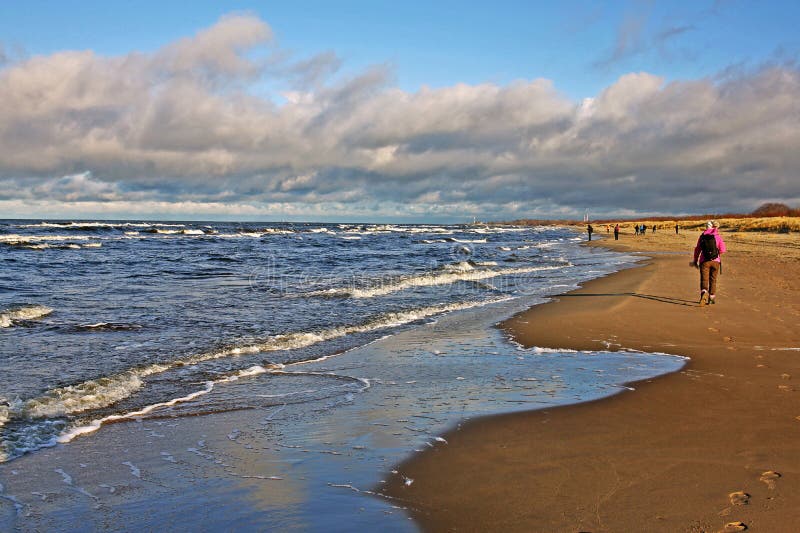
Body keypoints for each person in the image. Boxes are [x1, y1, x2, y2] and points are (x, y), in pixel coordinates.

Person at [692, 220, 727, 305]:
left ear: (706, 227)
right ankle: (711, 298)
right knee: (713, 279)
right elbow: (723, 250)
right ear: (714, 227)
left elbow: (697, 249)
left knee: (704, 279)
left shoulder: (702, 237)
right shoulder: (717, 236)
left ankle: (704, 292)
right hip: (716, 262)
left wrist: (695, 260)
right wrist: (716, 254)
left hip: (704, 261)